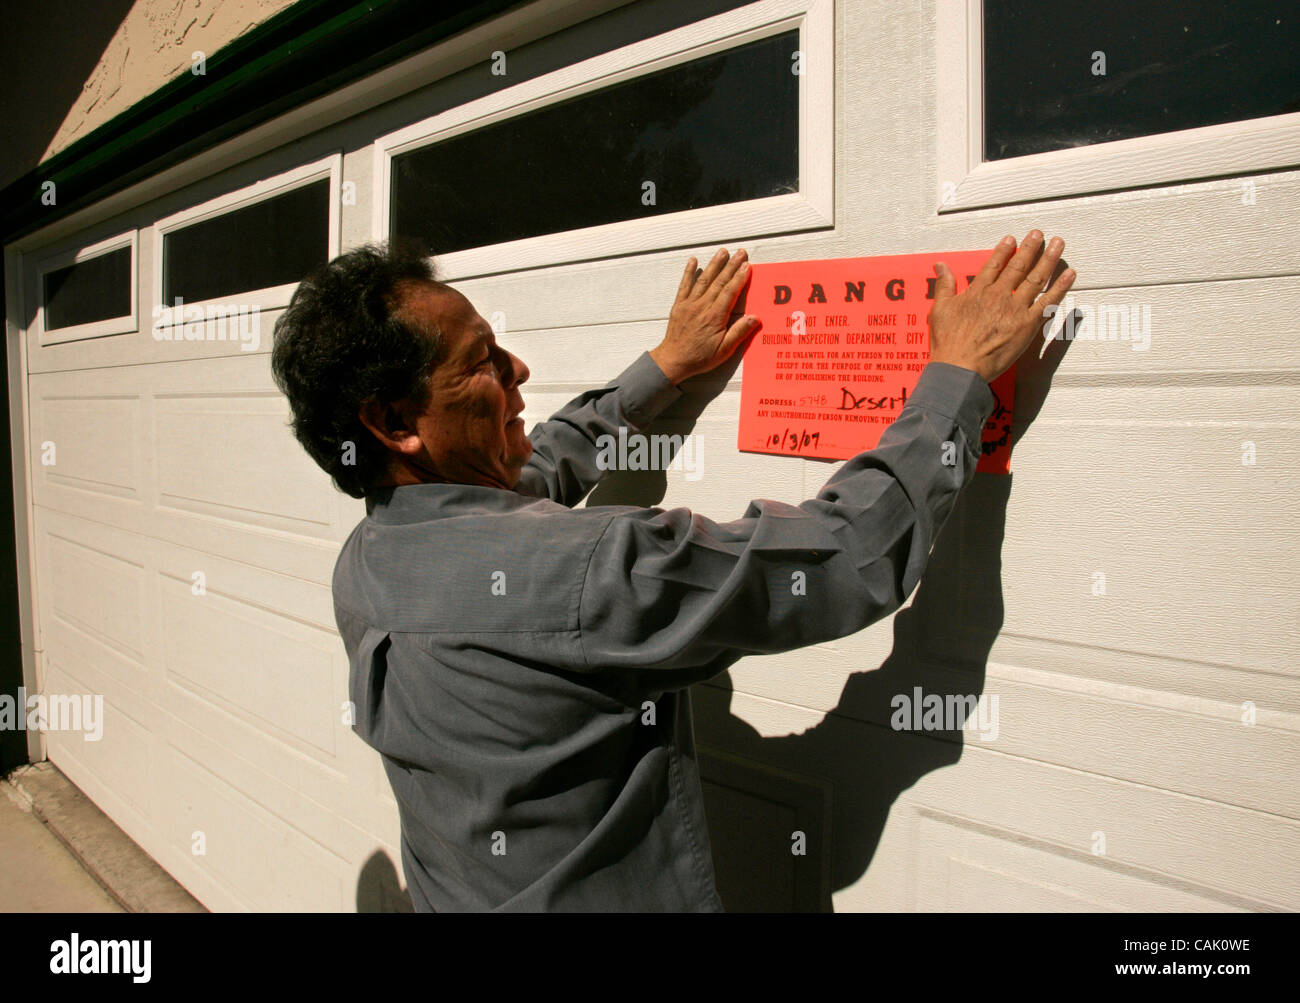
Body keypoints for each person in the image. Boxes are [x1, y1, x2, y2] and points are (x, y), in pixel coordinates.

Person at [270, 232, 1075, 911]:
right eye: (482, 361)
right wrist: (958, 377)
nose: (518, 370)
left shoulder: (370, 554)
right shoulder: (584, 571)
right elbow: (847, 555)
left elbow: (536, 467)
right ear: (395, 423)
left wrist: (665, 365)